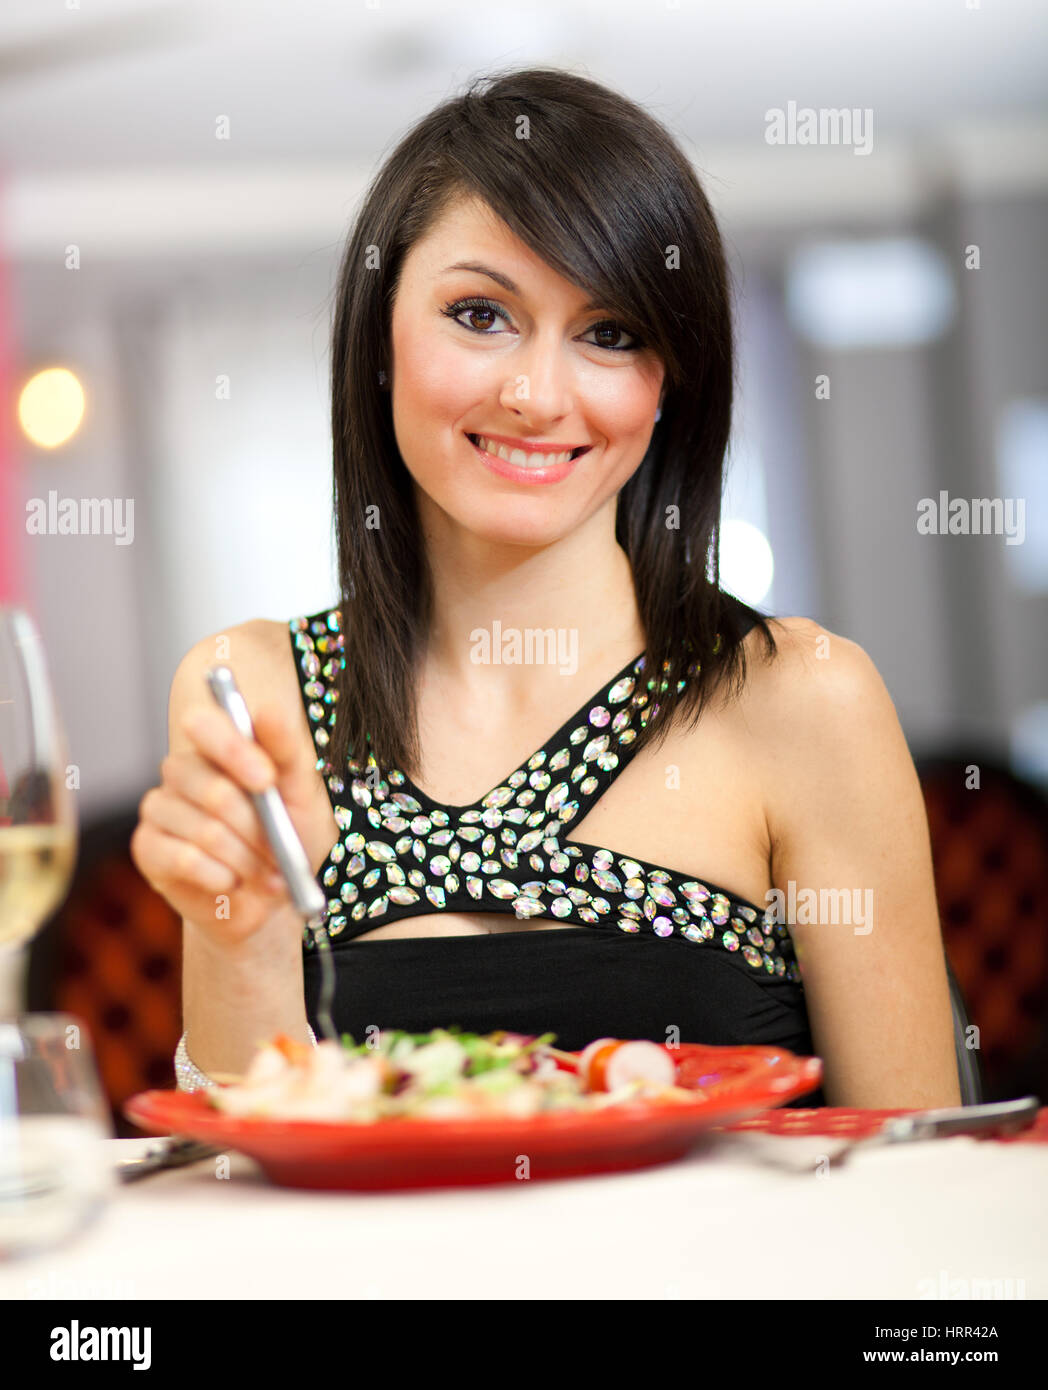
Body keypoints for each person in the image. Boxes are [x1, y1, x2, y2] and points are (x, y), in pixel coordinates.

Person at [131, 66, 961, 1109]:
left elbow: (915, 1173)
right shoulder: (251, 689)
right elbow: (241, 1181)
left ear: (670, 383)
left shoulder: (802, 695)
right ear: (380, 337)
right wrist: (240, 938)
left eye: (609, 333)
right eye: (480, 314)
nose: (536, 394)